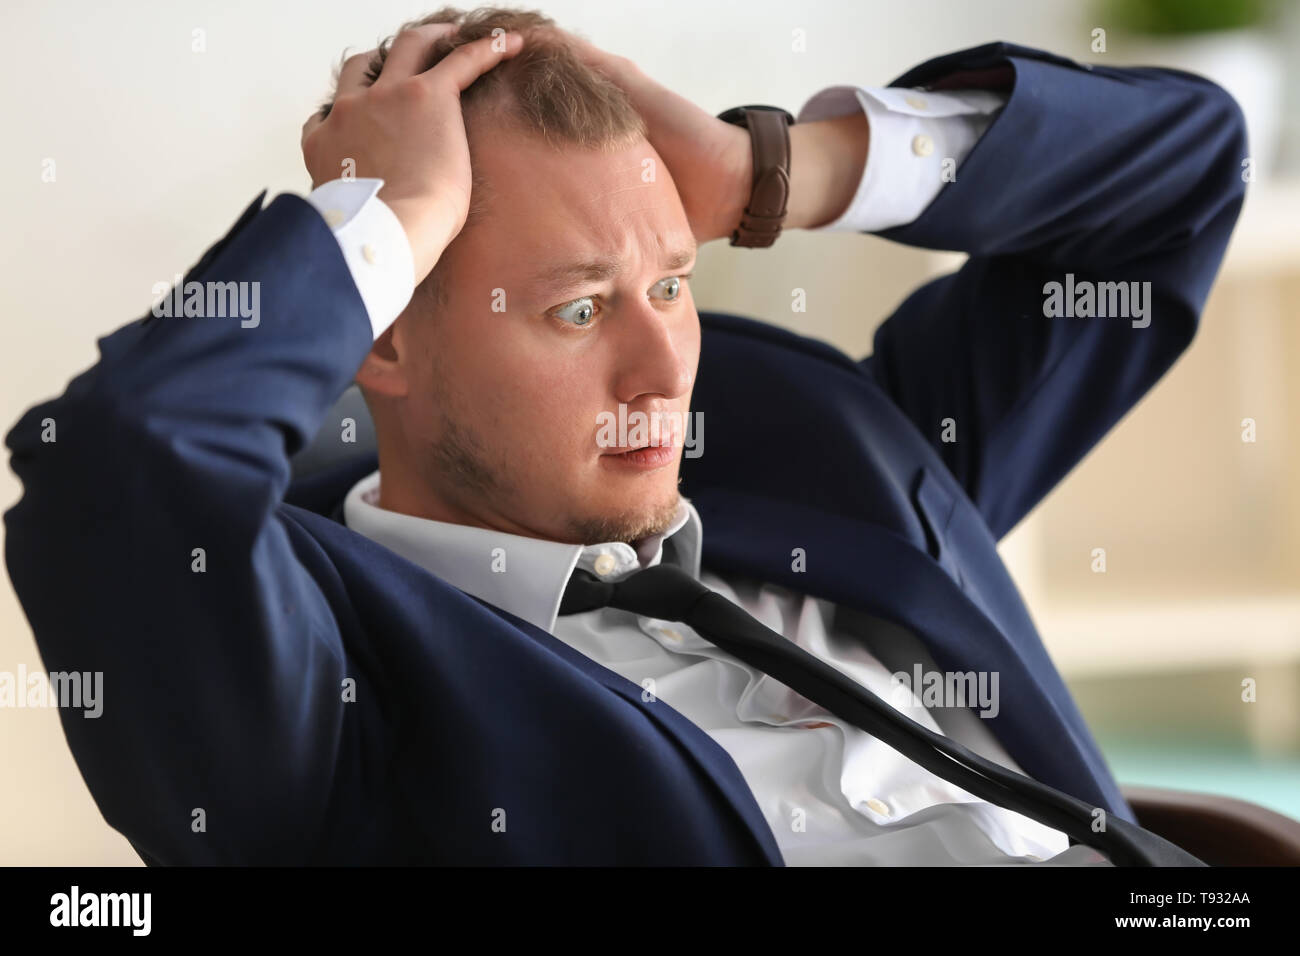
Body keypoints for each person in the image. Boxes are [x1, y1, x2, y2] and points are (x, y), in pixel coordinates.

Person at [4, 7, 1247, 865]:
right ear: (380, 336)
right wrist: (386, 217)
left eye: (670, 283)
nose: (662, 367)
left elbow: (1186, 170)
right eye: (579, 305)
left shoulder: (812, 454)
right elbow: (124, 462)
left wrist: (773, 169)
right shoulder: (326, 697)